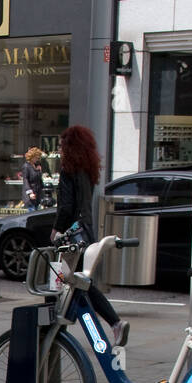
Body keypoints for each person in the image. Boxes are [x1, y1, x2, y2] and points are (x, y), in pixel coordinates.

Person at [52, 125, 128, 347]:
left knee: (63, 278)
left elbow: (66, 206)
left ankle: (60, 326)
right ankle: (111, 324)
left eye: (61, 145)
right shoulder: (88, 169)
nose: (59, 149)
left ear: (70, 147)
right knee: (78, 280)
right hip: (86, 230)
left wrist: (56, 229)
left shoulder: (68, 170)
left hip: (71, 234)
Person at [21, 146, 45, 212]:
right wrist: (30, 192)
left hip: (37, 193)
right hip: (31, 194)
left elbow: (39, 179)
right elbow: (25, 180)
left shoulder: (36, 165)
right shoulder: (26, 166)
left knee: (37, 212)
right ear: (32, 157)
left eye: (39, 157)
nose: (38, 159)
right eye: (36, 157)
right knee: (31, 212)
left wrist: (39, 171)